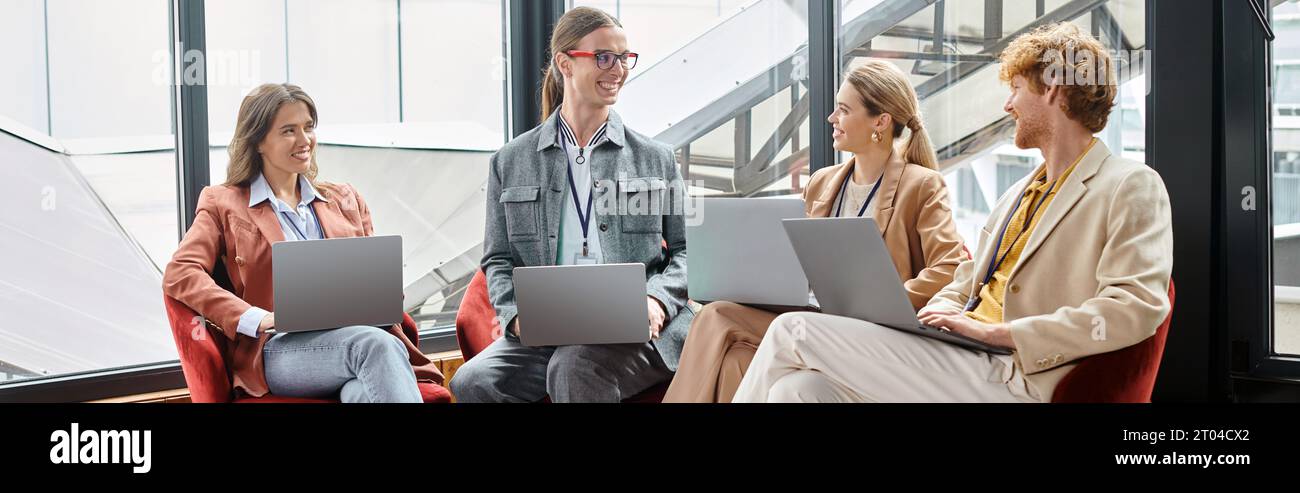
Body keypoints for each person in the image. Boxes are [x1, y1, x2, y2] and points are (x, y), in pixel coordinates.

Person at [734, 23, 1173, 403]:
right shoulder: (1018, 193)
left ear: (1053, 89)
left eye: (1016, 89)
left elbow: (1134, 308)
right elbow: (965, 280)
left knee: (794, 331)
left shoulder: (1129, 184)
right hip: (959, 355)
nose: (1008, 105)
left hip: (1015, 373)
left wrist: (1004, 334)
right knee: (799, 391)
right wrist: (928, 318)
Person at [663, 60, 966, 403]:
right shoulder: (823, 181)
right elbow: (796, 260)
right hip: (809, 315)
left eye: (843, 110)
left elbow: (951, 267)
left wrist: (888, 301)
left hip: (867, 329)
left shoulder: (921, 185)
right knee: (731, 346)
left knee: (718, 320)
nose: (831, 119)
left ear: (880, 121)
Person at [449, 7, 692, 403]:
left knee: (574, 365)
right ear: (564, 62)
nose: (618, 70)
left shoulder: (655, 158)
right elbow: (498, 259)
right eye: (603, 57)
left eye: (624, 58)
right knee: (471, 381)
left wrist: (657, 301)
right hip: (552, 328)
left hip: (641, 329)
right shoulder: (510, 162)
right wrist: (516, 319)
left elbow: (687, 252)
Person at [163, 83, 441, 403]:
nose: (304, 140)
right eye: (288, 131)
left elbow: (381, 285)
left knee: (362, 393)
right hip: (279, 350)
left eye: (308, 127)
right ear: (257, 142)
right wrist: (255, 317)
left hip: (355, 339)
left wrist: (381, 294)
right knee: (375, 346)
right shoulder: (223, 203)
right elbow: (180, 272)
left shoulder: (345, 199)